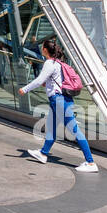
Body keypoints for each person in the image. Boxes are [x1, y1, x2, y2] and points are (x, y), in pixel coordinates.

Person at [20, 39, 98, 172]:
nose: (41, 48)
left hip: (59, 101)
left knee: (75, 130)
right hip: (59, 100)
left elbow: (39, 80)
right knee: (51, 129)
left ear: (45, 50)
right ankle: (43, 153)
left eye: (42, 46)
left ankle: (90, 163)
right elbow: (51, 81)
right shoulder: (58, 63)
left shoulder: (50, 63)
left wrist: (25, 89)